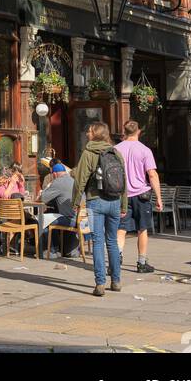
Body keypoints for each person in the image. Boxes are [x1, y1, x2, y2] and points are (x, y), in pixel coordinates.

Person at [71, 121, 128, 297]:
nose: (87, 133)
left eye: (89, 130)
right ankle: (116, 281)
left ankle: (100, 284)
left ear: (95, 133)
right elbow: (124, 180)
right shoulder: (115, 152)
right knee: (112, 241)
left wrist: (75, 202)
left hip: (95, 202)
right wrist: (123, 204)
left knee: (97, 242)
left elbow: (80, 179)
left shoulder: (89, 153)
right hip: (114, 201)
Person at [115, 120, 162, 274]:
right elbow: (152, 174)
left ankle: (117, 259)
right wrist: (159, 198)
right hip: (142, 195)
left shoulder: (116, 149)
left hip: (122, 195)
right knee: (142, 229)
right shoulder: (145, 150)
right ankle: (141, 263)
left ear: (124, 131)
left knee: (121, 229)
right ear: (138, 132)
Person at [40, 160, 77, 256]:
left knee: (42, 219)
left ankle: (51, 252)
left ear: (55, 174)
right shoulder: (73, 180)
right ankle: (72, 251)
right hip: (80, 219)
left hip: (69, 219)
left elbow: (43, 198)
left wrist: (49, 185)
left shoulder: (57, 182)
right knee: (55, 216)